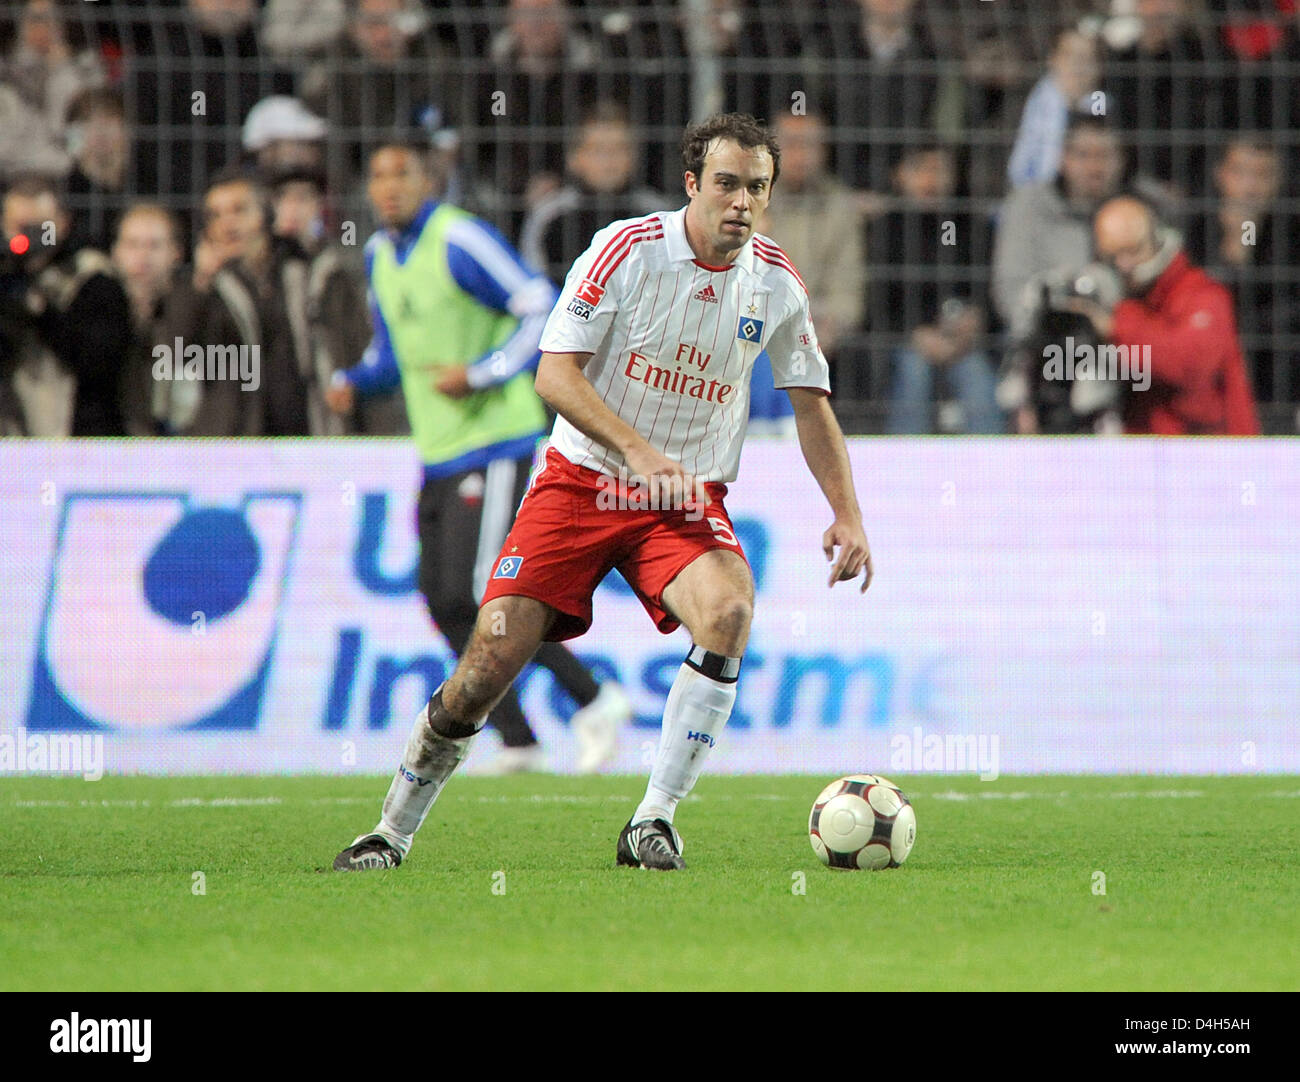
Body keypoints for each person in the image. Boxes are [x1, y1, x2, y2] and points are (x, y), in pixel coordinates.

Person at [333, 114, 874, 874]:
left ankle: (653, 821)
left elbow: (812, 403)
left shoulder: (777, 285)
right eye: (726, 183)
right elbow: (555, 374)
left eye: (757, 187)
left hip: (680, 503)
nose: (741, 202)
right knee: (486, 663)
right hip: (582, 482)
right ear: (692, 184)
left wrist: (846, 515)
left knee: (729, 610)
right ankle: (391, 832)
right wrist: (637, 451)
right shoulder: (627, 251)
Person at [324, 141, 631, 775]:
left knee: (480, 589)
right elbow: (396, 354)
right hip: (438, 451)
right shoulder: (380, 254)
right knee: (442, 598)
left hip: (495, 443)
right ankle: (518, 738)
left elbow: (540, 303)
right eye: (377, 175)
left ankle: (594, 698)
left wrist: (486, 372)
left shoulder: (460, 239)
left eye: (401, 172)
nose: (389, 187)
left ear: (427, 178)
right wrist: (356, 378)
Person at [1067, 195, 1259, 435]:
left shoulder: (1204, 295)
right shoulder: (1119, 301)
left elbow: (1190, 365)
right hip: (1144, 452)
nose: (1124, 265)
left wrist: (1116, 325)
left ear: (1158, 238)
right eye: (1112, 256)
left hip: (1210, 453)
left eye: (1133, 250)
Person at [872, 145, 1000, 435]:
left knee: (978, 379)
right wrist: (914, 333)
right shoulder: (885, 229)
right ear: (899, 175)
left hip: (965, 343)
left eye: (940, 169)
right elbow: (876, 303)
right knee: (913, 373)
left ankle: (990, 473)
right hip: (905, 341)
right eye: (920, 169)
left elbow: (989, 293)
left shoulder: (972, 226)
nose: (931, 180)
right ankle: (905, 470)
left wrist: (976, 320)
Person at [0, 173, 131, 436]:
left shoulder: (92, 278)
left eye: (39, 228)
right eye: (18, 228)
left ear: (62, 223)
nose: (27, 238)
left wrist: (43, 311)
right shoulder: (6, 277)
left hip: (80, 433)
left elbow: (99, 363)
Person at [110, 202, 185, 435]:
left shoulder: (193, 312)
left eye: (154, 245)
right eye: (133, 244)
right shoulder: (102, 315)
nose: (143, 256)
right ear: (116, 252)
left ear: (176, 253)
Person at [1007, 27, 1103, 189]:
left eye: (1087, 58)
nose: (1078, 65)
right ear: (1052, 59)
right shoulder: (1021, 104)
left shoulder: (1104, 110)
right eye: (1070, 55)